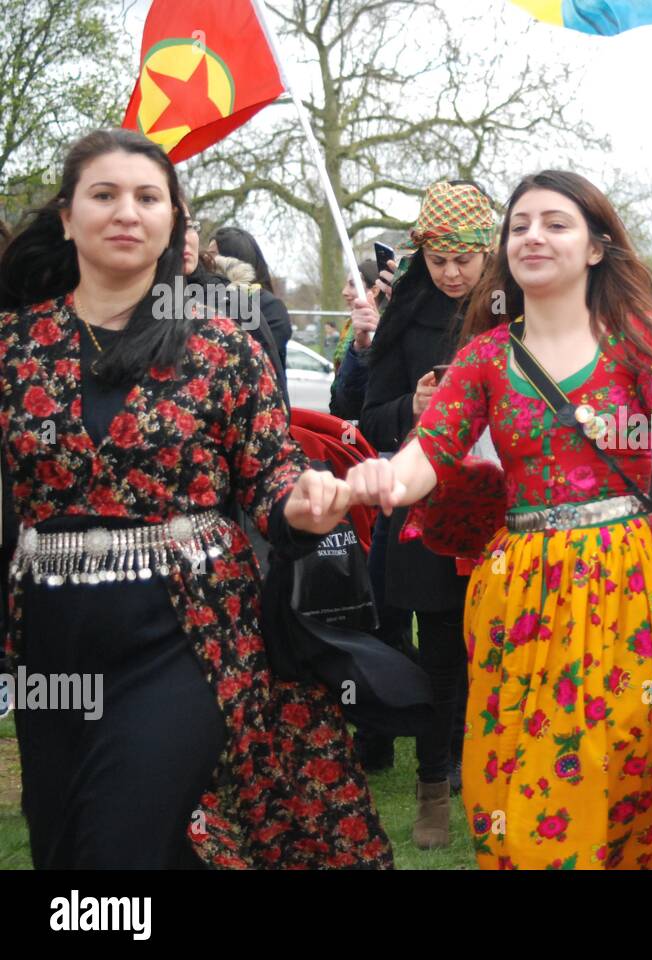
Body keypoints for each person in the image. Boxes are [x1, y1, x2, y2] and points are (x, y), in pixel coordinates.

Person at [346, 170, 652, 869]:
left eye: (555, 223)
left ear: (595, 247)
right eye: (520, 223)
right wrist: (383, 478)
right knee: (523, 812)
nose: (532, 235)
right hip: (519, 608)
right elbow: (426, 456)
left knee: (612, 795)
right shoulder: (483, 360)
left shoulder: (634, 340)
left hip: (630, 599)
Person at [0, 128, 389, 868]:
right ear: (66, 216)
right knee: (64, 841)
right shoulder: (15, 348)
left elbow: (272, 475)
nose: (126, 212)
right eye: (104, 194)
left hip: (188, 632)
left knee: (120, 839)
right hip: (51, 638)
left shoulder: (220, 346)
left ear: (172, 221)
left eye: (148, 197)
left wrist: (303, 505)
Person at [358, 180, 495, 847]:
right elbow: (366, 416)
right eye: (438, 259)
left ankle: (486, 772)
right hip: (423, 514)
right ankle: (432, 788)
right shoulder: (405, 317)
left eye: (463, 259)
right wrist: (412, 409)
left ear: (485, 253)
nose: (451, 273)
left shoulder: (512, 315)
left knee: (489, 650)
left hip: (501, 510)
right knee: (439, 651)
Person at [208, 225, 293, 394]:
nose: (206, 262)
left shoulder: (270, 309)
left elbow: (249, 362)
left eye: (213, 256)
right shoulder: (205, 299)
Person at [328, 257, 381, 421]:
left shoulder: (385, 330)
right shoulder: (349, 327)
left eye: (352, 284)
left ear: (375, 290)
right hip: (343, 416)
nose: (344, 291)